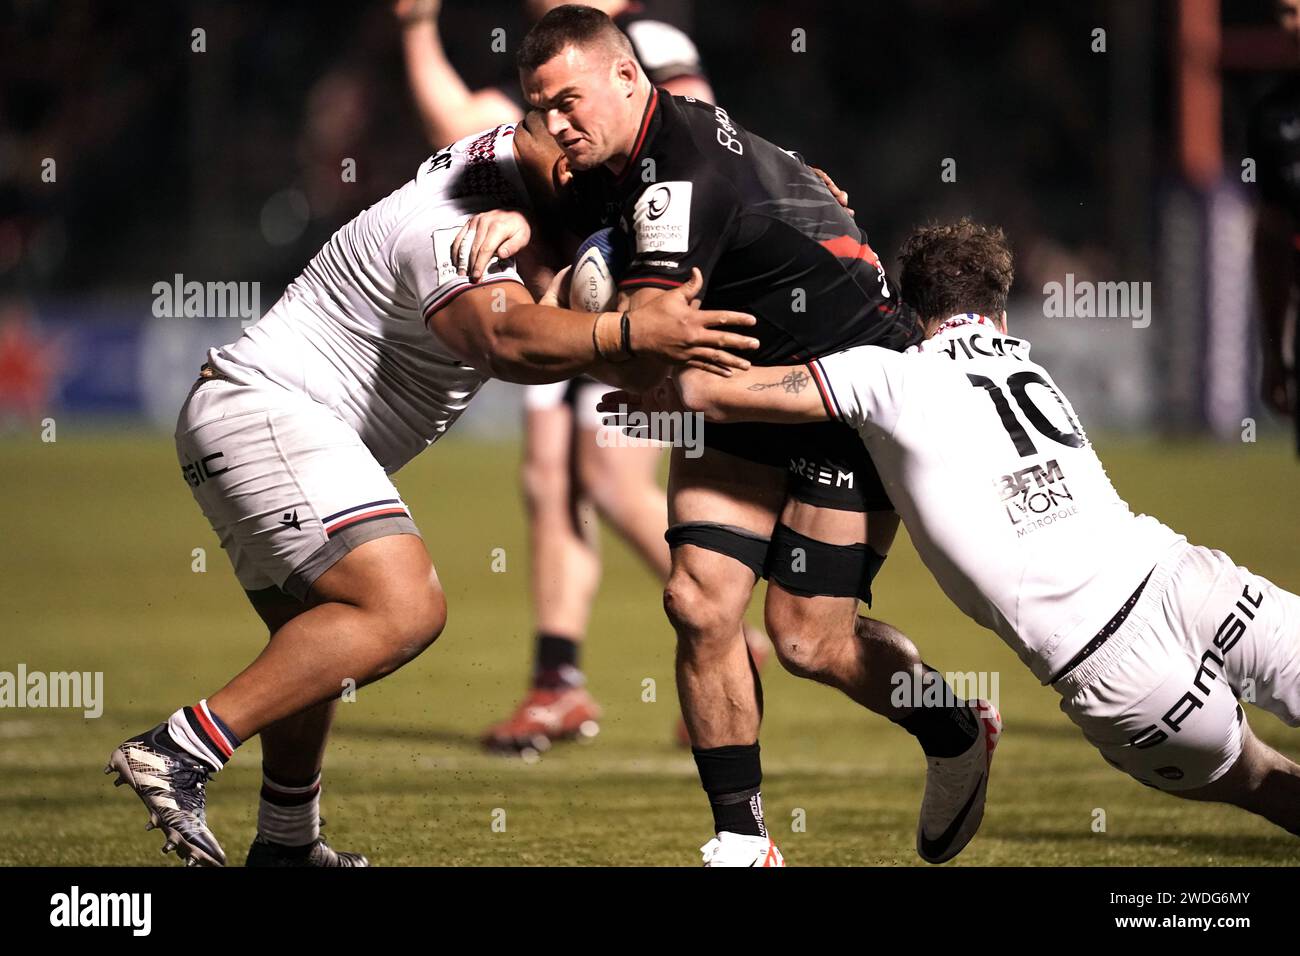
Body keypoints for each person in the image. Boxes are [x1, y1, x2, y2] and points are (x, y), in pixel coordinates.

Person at [104, 113, 756, 867]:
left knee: (320, 642)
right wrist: (626, 338)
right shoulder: (454, 226)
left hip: (247, 418)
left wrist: (642, 344)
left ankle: (287, 842)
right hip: (269, 413)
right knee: (403, 608)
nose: (590, 175)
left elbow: (569, 311)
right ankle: (178, 750)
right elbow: (507, 340)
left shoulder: (509, 189)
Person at [607, 217, 1300, 841]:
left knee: (1267, 782)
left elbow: (712, 394)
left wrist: (643, 368)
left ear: (909, 312)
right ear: (999, 311)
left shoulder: (886, 378)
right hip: (1189, 580)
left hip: (1112, 666)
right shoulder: (1027, 364)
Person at [516, 6, 997, 867]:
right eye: (542, 107)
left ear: (631, 79)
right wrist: (517, 227)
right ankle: (742, 840)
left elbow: (642, 349)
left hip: (844, 387)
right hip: (740, 378)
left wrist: (550, 329)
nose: (556, 125)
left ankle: (952, 726)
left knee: (810, 640)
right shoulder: (615, 149)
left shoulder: (677, 179)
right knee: (698, 602)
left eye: (570, 101)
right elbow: (521, 171)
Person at [394, 0, 763, 753]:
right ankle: (556, 682)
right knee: (548, 483)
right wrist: (416, 29)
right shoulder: (547, 63)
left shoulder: (643, 42)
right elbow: (465, 130)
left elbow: (696, 152)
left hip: (635, 289)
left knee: (607, 481)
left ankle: (728, 627)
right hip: (566, 292)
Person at [1249, 0, 1300, 456]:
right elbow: (1272, 239)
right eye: (1283, 12)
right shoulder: (1271, 116)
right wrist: (1273, 352)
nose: (1291, 24)